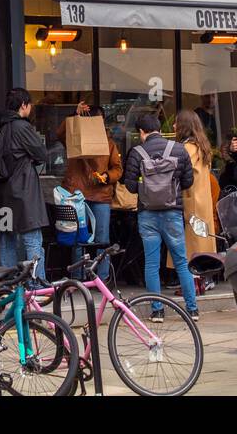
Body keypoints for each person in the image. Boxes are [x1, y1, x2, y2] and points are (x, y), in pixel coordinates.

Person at [122, 112, 199, 322]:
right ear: (158, 128)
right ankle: (192, 309)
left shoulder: (137, 152)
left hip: (147, 214)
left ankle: (157, 311)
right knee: (182, 262)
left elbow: (129, 185)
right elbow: (188, 181)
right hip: (173, 212)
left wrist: (145, 186)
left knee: (151, 264)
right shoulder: (178, 149)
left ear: (141, 132)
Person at [0, 87, 49, 283]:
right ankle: (36, 285)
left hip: (1, 194)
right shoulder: (21, 127)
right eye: (29, 104)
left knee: (7, 239)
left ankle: (9, 285)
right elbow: (41, 154)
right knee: (33, 240)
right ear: (24, 105)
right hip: (24, 193)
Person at [62, 100, 122, 282]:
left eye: (100, 120)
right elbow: (58, 134)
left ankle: (100, 278)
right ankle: (78, 277)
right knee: (78, 238)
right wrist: (75, 114)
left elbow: (118, 168)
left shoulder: (109, 143)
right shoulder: (73, 137)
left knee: (102, 239)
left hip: (100, 194)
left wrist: (107, 176)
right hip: (78, 195)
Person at [175, 109, 217, 262]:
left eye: (176, 123)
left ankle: (193, 282)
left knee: (191, 248)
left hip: (191, 200)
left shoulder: (187, 148)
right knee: (202, 243)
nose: (173, 126)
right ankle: (203, 279)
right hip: (202, 200)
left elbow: (181, 174)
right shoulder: (202, 146)